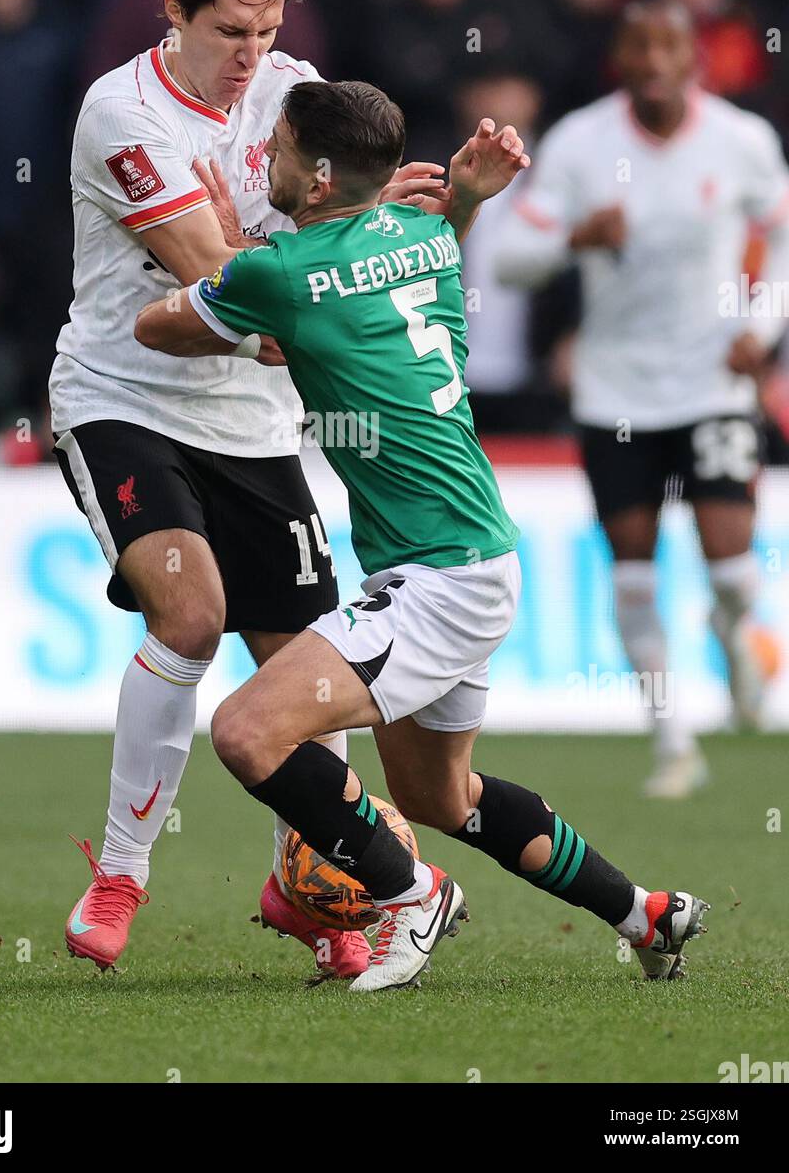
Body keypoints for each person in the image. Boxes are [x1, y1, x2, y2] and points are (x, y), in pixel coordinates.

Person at [135, 78, 709, 993]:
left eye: (277, 147)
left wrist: (225, 259)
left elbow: (155, 327)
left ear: (318, 180)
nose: (265, 161)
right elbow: (388, 267)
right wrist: (469, 200)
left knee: (246, 732)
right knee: (438, 796)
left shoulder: (279, 272)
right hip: (479, 556)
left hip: (437, 578)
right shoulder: (431, 237)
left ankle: (409, 896)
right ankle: (644, 912)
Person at [51, 0, 443, 980]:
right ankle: (122, 871)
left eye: (266, 33)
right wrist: (321, 251)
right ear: (173, 10)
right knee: (191, 610)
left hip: (254, 427)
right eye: (231, 32)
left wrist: (364, 228)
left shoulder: (292, 95)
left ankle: (306, 885)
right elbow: (216, 283)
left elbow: (327, 262)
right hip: (126, 394)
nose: (251, 57)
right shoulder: (120, 115)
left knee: (302, 680)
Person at [495, 0, 789, 798]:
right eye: (638, 46)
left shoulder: (742, 141)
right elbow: (509, 259)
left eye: (669, 46)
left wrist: (761, 329)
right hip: (615, 390)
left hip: (714, 382)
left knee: (732, 572)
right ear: (618, 60)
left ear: (695, 57)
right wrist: (573, 238)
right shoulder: (582, 144)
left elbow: (784, 236)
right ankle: (673, 739)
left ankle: (734, 641)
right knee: (633, 575)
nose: (654, 60)